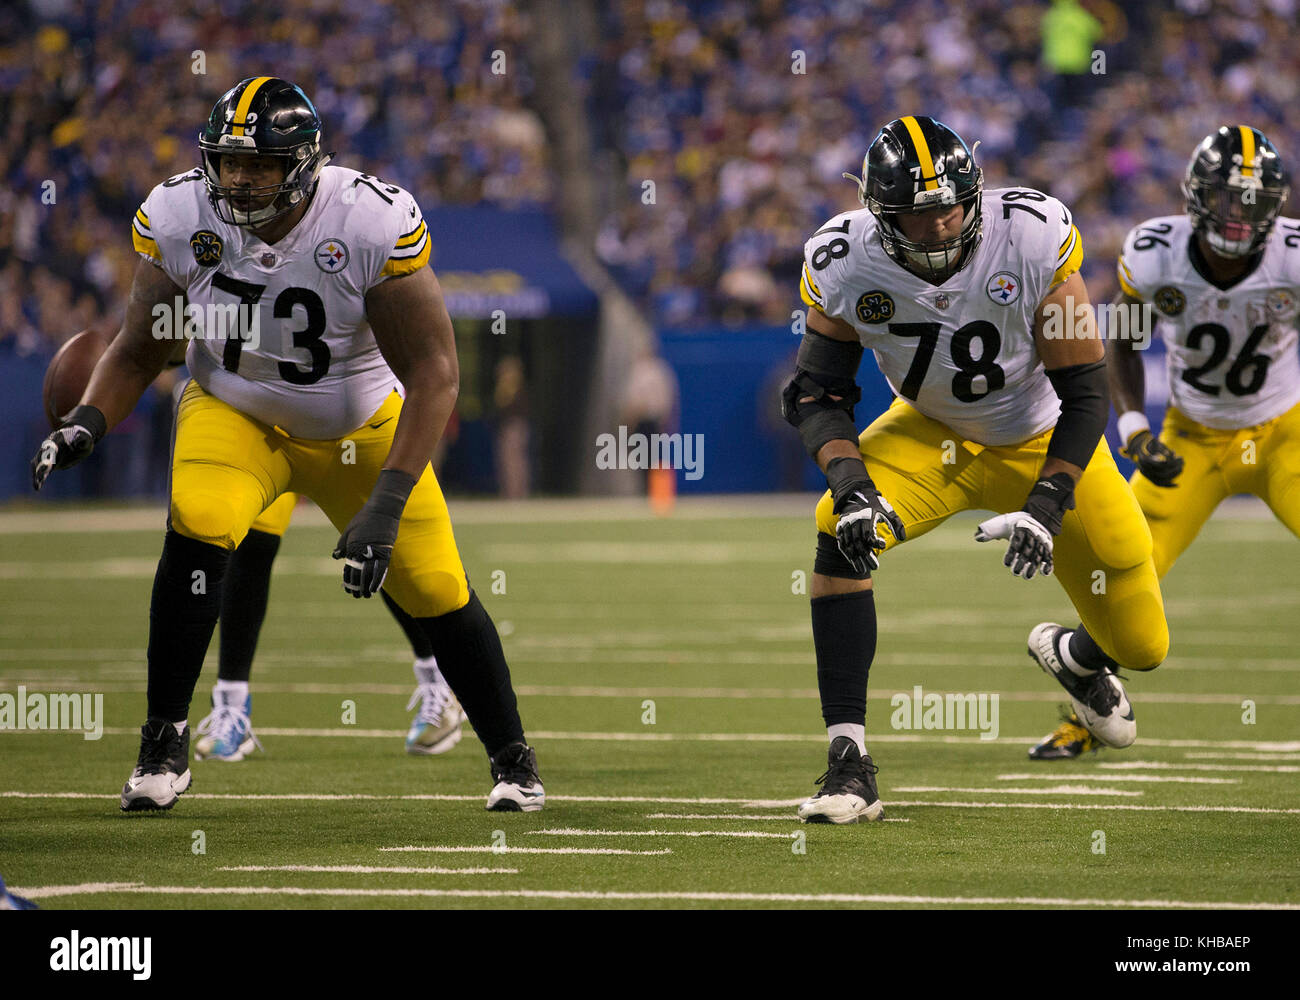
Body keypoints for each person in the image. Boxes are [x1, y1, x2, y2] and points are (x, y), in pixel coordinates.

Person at [31, 77, 542, 813]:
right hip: (233, 412)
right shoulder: (180, 215)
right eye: (228, 162)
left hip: (357, 427)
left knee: (434, 588)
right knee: (197, 521)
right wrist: (85, 420)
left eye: (259, 165)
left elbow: (435, 375)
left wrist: (387, 503)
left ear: (301, 164)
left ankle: (513, 759)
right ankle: (162, 743)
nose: (239, 179)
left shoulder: (368, 221)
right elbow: (140, 349)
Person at [784, 115, 1167, 823]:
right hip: (930, 432)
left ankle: (1077, 657)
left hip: (1041, 436)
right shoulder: (844, 258)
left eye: (949, 209)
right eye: (916, 215)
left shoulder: (1029, 234)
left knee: (1144, 645)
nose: (937, 228)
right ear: (881, 212)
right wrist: (853, 487)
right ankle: (848, 761)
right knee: (839, 528)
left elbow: (1086, 391)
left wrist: (1049, 503)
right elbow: (817, 394)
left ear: (975, 194)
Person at [1031, 125, 1298, 758]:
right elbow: (1122, 339)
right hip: (1192, 437)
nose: (1238, 218)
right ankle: (1086, 717)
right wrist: (1134, 426)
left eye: (1252, 203)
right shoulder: (1155, 254)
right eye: (1228, 200)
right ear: (1197, 196)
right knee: (1123, 577)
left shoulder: (1292, 255)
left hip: (1285, 431)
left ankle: (1071, 656)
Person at [196, 491, 466, 762]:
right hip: (277, 448)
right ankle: (232, 708)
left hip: (341, 449)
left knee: (375, 541)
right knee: (253, 537)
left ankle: (440, 682)